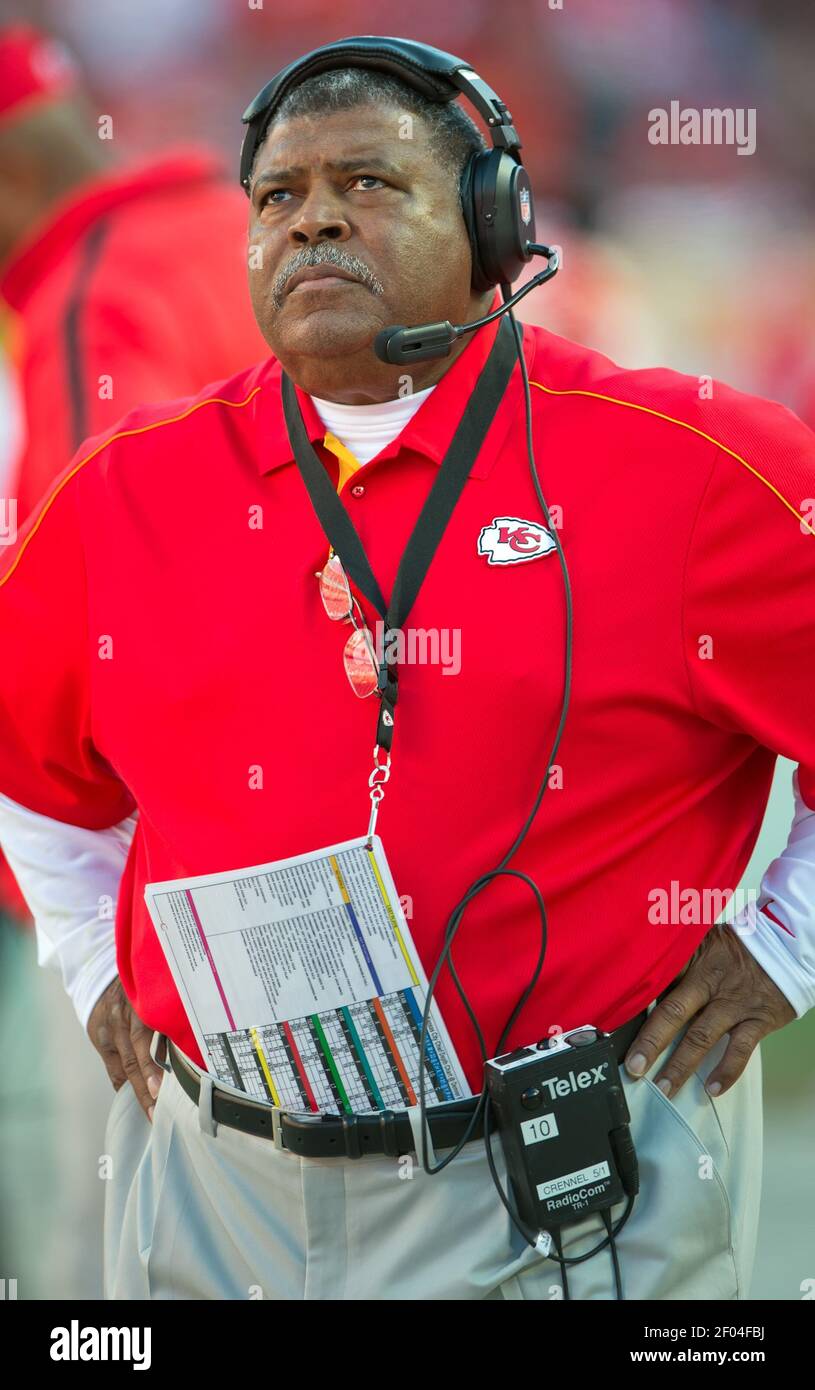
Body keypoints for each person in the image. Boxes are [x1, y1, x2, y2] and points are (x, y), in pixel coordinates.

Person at [0, 36, 813, 1301]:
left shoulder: (697, 466)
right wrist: (92, 958)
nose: (314, 218)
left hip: (572, 1176)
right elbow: (30, 770)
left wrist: (787, 943)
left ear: (495, 226)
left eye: (368, 184)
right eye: (279, 196)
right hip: (222, 1174)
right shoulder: (120, 491)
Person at [0, 22, 265, 1298]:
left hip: (157, 881)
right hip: (341, 841)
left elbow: (101, 603)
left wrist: (103, 923)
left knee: (95, 1277)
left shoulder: (86, 289)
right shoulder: (237, 224)